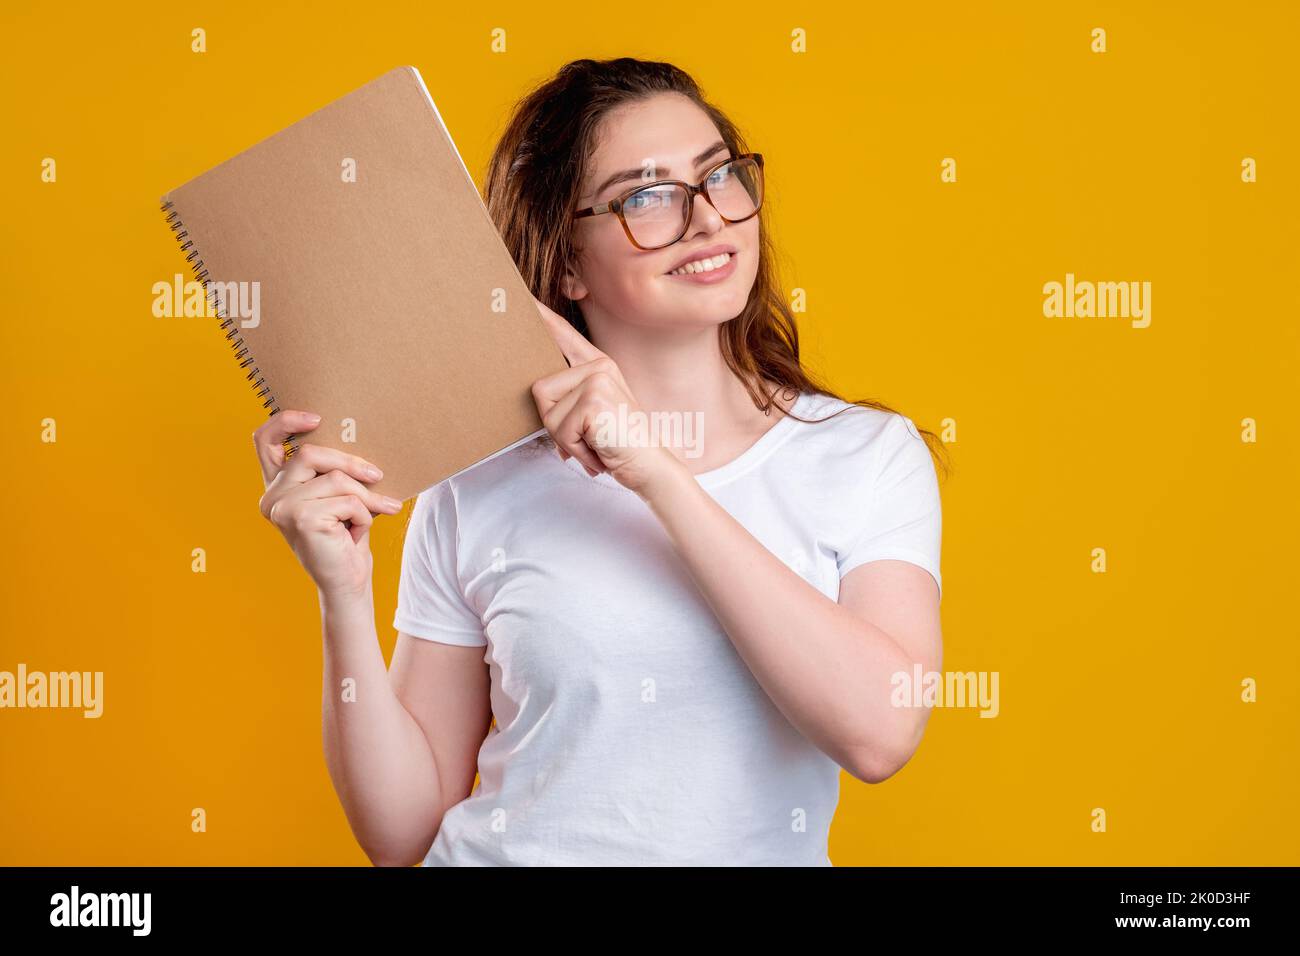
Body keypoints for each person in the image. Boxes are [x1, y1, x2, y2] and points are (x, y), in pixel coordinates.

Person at [252, 57, 947, 866]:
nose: (708, 220)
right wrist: (341, 593)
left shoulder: (863, 456)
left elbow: (881, 733)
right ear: (568, 263)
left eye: (718, 175)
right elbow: (402, 834)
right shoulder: (477, 484)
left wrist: (655, 472)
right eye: (646, 197)